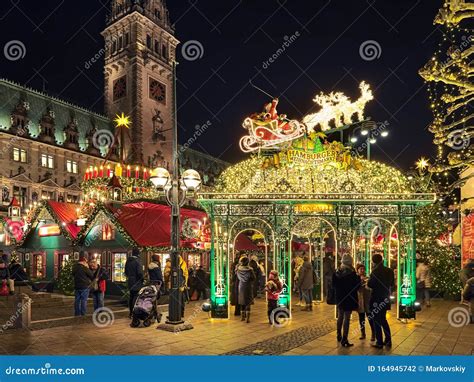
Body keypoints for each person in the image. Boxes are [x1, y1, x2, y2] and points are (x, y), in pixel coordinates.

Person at [332, 254, 360, 347]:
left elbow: (333, 285)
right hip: (349, 298)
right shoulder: (352, 273)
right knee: (347, 318)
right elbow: (357, 286)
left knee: (340, 316)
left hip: (340, 297)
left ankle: (338, 334)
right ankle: (345, 339)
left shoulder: (336, 271)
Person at [368, 253, 395, 349]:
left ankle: (379, 342)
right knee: (383, 319)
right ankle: (388, 340)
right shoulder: (389, 271)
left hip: (377, 298)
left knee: (376, 320)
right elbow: (392, 284)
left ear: (373, 261)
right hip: (385, 297)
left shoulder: (375, 272)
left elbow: (370, 284)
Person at [356, 264, 375, 341]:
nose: (362, 270)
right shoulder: (356, 279)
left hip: (367, 300)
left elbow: (371, 288)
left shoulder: (368, 278)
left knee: (370, 318)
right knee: (361, 319)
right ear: (357, 270)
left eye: (363, 269)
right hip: (360, 301)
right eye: (360, 269)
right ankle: (362, 333)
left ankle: (373, 333)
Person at [124, 248, 144, 318]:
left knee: (131, 297)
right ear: (138, 253)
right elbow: (140, 273)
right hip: (137, 282)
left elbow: (126, 272)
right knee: (136, 297)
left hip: (130, 281)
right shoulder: (138, 261)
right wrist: (142, 279)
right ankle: (135, 313)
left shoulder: (128, 261)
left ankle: (131, 313)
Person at [236, 256, 256, 323]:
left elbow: (236, 277)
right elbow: (253, 278)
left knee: (242, 302)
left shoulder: (238, 269)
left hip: (241, 286)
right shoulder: (250, 270)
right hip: (248, 286)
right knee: (248, 302)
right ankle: (248, 318)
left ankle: (242, 317)